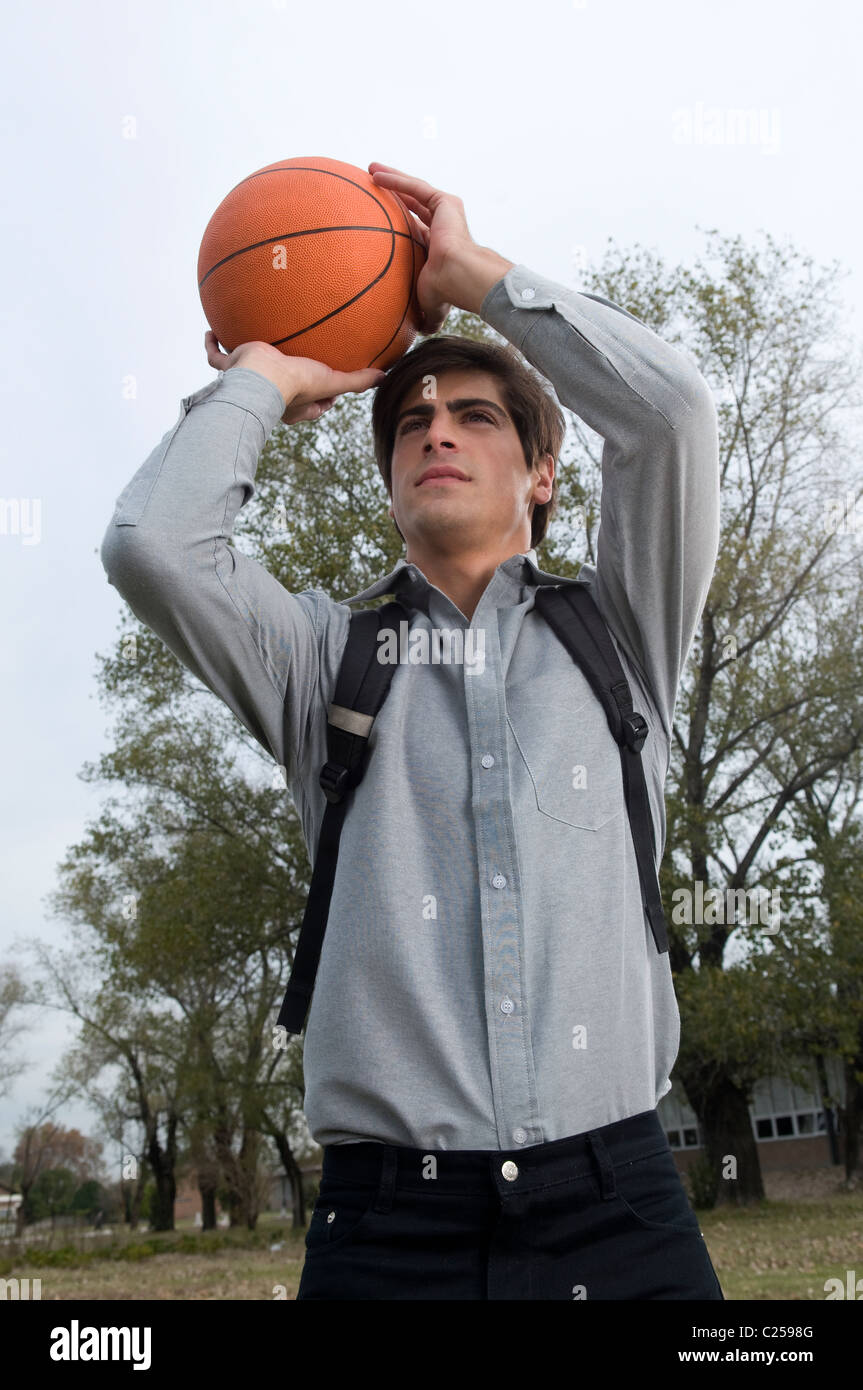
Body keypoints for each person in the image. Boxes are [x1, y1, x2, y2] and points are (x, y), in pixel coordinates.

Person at [100, 163, 723, 1300]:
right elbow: (153, 546)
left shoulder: (623, 632)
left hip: (620, 1204)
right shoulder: (316, 658)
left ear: (540, 475)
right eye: (410, 423)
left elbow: (670, 412)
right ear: (389, 482)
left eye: (474, 416)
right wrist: (262, 374)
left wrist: (472, 279)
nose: (436, 429)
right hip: (387, 1229)